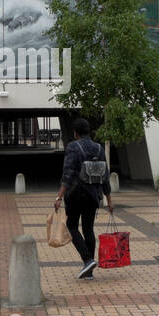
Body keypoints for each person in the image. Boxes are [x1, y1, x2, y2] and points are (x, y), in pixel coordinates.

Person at [53, 118, 113, 280]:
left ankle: (88, 260)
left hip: (75, 194)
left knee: (72, 226)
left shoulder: (73, 146)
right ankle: (90, 271)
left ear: (75, 133)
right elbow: (105, 175)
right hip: (94, 194)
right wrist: (109, 199)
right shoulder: (99, 148)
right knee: (88, 229)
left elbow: (68, 173)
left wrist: (59, 196)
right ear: (88, 131)